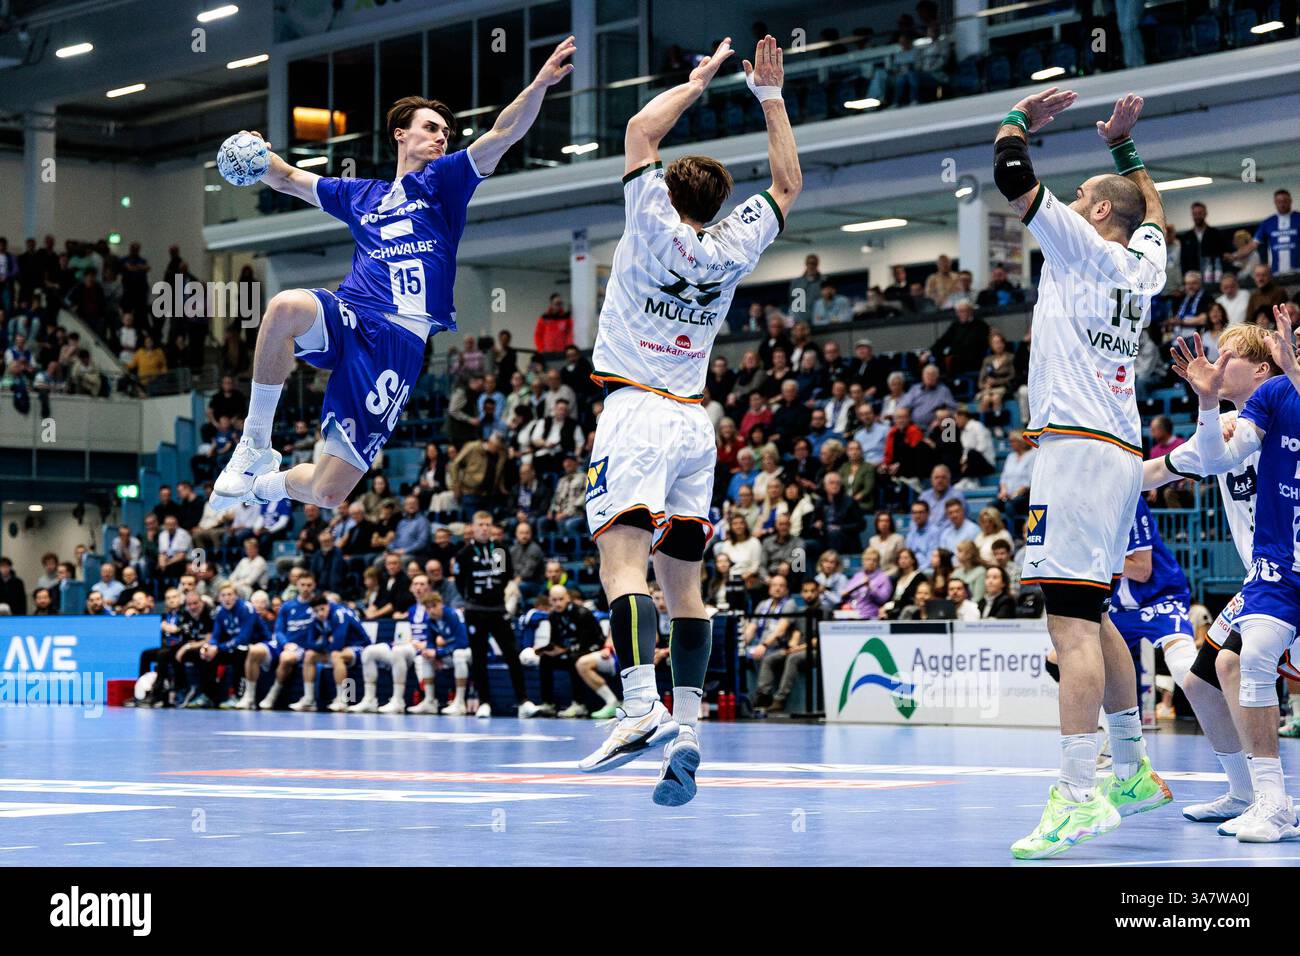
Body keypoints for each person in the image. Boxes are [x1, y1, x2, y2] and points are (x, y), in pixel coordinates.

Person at [209, 39, 577, 512]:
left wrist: (540, 83)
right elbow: (284, 178)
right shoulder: (360, 195)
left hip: (398, 344)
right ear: (401, 135)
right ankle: (254, 445)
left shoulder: (444, 184)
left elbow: (503, 133)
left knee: (327, 491)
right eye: (431, 128)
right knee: (284, 308)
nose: (443, 136)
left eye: (447, 131)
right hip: (352, 314)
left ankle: (265, 484)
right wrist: (256, 155)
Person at [577, 36, 801, 807]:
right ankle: (689, 727)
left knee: (621, 567)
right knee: (688, 591)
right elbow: (788, 182)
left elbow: (641, 130)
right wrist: (769, 97)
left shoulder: (649, 220)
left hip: (636, 408)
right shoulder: (733, 242)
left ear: (669, 193)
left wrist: (701, 80)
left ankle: (640, 704)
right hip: (694, 425)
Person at [994, 89, 1171, 858]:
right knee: (1093, 613)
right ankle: (1131, 770)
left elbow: (1010, 176)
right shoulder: (1144, 263)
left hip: (1072, 447)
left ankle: (1077, 795)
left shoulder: (1080, 245)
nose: (1071, 200)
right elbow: (1155, 214)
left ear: (1098, 214)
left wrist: (1019, 122)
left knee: (1068, 624)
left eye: (1082, 196)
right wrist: (1124, 153)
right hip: (1119, 452)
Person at [1138, 322, 1286, 832]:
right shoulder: (1220, 427)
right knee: (1200, 681)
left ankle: (1272, 799)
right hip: (1260, 578)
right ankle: (1245, 792)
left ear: (1263, 369)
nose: (1216, 365)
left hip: (1287, 572)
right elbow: (1160, 470)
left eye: (1229, 358)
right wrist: (1095, 483)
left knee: (1232, 668)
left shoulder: (1283, 416)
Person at [454, 511, 534, 717]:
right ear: (473, 527)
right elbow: (460, 583)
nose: (484, 528)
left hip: (498, 609)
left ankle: (523, 701)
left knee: (511, 654)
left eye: (487, 524)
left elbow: (503, 576)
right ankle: (484, 702)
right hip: (475, 611)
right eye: (480, 524)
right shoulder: (464, 554)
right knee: (479, 658)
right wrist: (473, 599)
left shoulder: (499, 550)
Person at [288, 596, 370, 712]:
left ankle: (342, 700)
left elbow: (338, 644)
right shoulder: (316, 619)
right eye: (316, 611)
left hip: (361, 647)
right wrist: (327, 641)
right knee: (309, 655)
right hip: (338, 649)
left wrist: (324, 641)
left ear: (328, 605)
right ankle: (309, 699)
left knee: (336, 655)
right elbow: (309, 644)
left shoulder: (339, 613)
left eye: (322, 609)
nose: (320, 613)